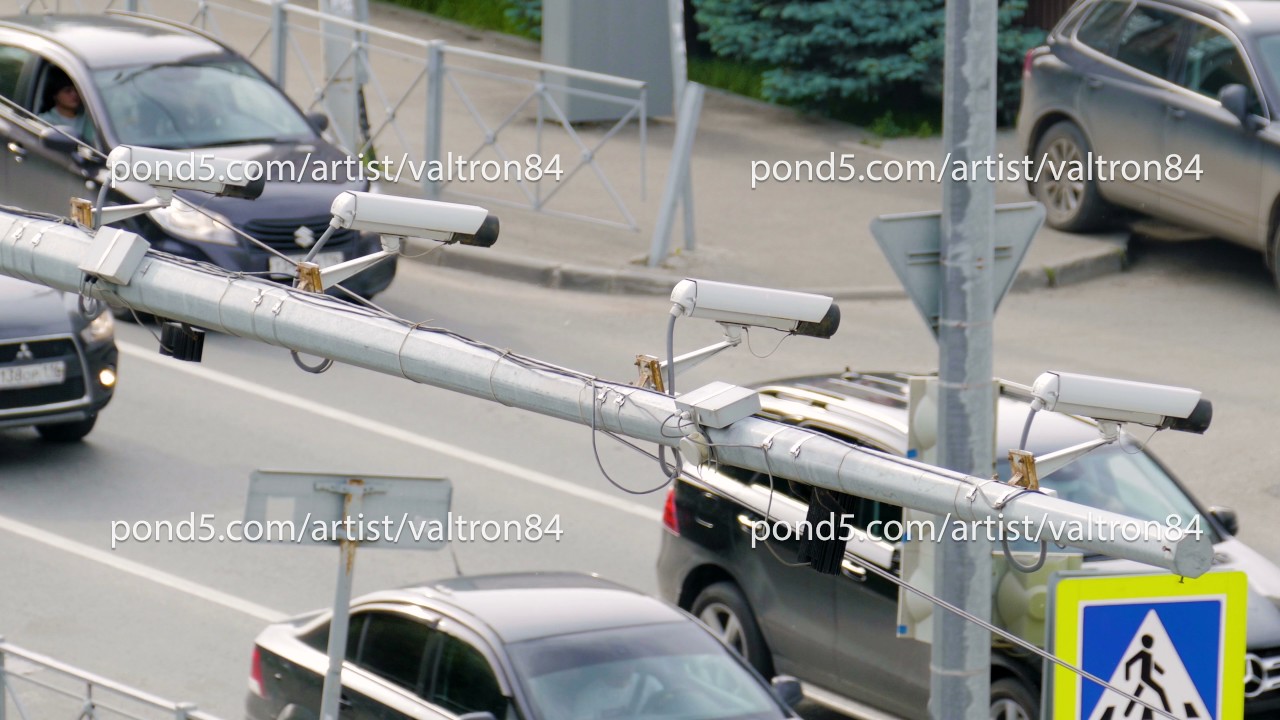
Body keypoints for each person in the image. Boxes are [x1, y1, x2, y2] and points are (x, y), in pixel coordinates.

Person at [37, 71, 95, 146]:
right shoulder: (45, 121)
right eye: (68, 91)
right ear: (55, 95)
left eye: (76, 90)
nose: (74, 94)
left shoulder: (90, 118)